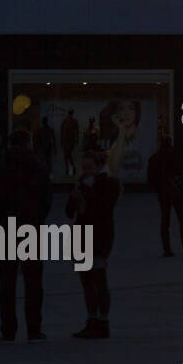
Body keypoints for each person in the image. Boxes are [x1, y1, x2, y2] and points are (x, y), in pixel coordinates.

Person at [0, 129, 51, 342]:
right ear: (28, 142)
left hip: (5, 226)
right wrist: (38, 219)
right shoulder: (38, 165)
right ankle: (34, 328)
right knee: (33, 280)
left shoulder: (0, 166)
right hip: (30, 225)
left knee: (6, 281)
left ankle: (8, 329)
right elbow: (46, 198)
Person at [67, 151, 120, 339]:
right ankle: (91, 321)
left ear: (98, 166)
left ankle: (103, 322)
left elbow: (103, 209)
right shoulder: (81, 184)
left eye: (89, 167)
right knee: (86, 281)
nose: (86, 171)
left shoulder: (108, 184)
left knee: (99, 279)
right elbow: (70, 212)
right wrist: (74, 197)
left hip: (99, 237)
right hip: (81, 236)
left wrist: (84, 197)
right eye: (84, 168)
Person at [147, 135, 183, 258]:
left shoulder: (154, 158)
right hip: (176, 191)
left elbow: (150, 178)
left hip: (162, 192)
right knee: (182, 219)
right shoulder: (176, 155)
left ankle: (167, 249)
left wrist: (157, 187)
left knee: (165, 221)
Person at [60, 109, 79, 177]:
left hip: (70, 140)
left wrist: (77, 139)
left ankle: (70, 167)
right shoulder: (65, 121)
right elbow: (62, 131)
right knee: (66, 155)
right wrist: (61, 140)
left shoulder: (73, 121)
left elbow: (77, 131)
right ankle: (69, 168)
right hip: (67, 140)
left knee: (67, 154)